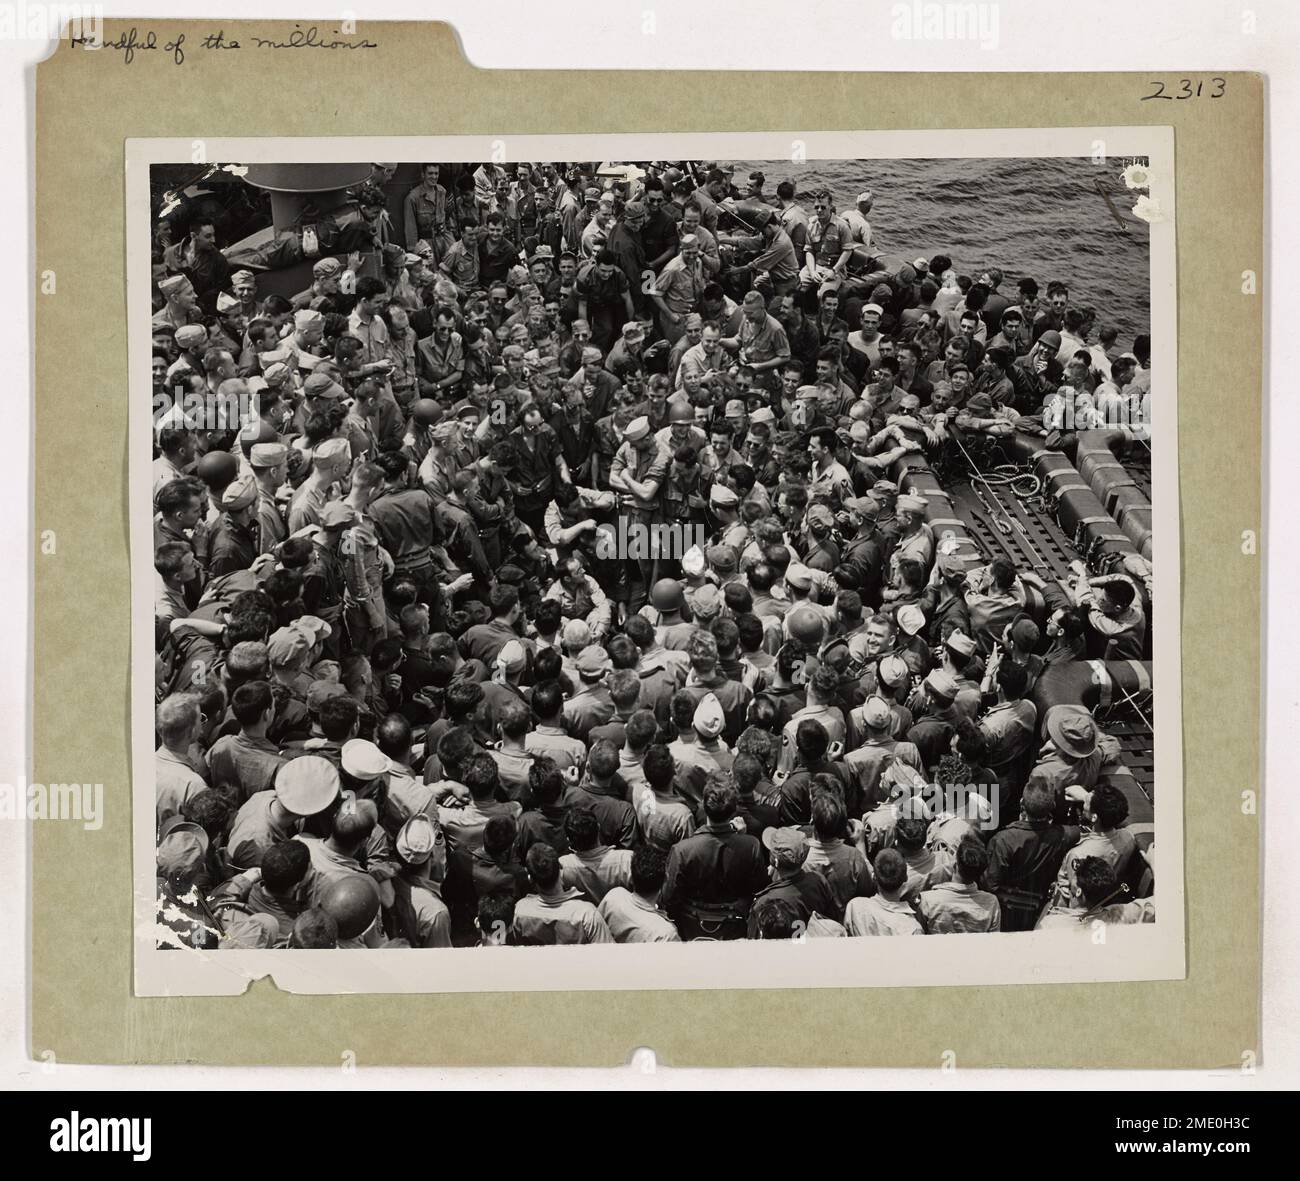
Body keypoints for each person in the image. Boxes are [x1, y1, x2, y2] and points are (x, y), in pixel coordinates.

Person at [147, 161, 1156, 951]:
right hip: (635, 543)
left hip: (634, 550)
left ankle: (616, 567)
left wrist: (602, 522)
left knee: (633, 557)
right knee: (634, 555)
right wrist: (610, 506)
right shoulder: (802, 764)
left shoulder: (598, 755)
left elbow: (616, 516)